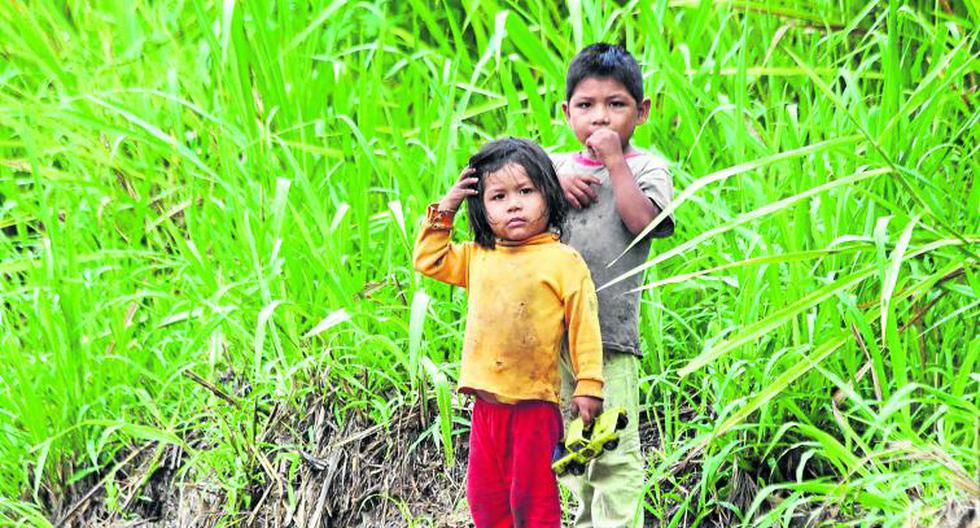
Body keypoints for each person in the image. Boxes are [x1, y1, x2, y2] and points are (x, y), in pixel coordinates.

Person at [413, 137, 605, 527]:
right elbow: (428, 260)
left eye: (525, 191)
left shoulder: (562, 261)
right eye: (498, 196)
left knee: (531, 499)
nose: (513, 203)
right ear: (481, 209)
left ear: (549, 195)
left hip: (534, 406)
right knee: (485, 498)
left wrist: (589, 385)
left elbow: (585, 325)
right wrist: (445, 208)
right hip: (486, 407)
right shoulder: (478, 256)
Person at [552, 43, 676, 528]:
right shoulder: (552, 170)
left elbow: (644, 222)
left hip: (609, 342)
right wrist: (554, 182)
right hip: (553, 341)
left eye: (616, 104)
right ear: (566, 113)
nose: (600, 118)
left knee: (615, 452)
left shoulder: (647, 169)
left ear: (641, 112)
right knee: (571, 454)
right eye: (586, 106)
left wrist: (614, 163)